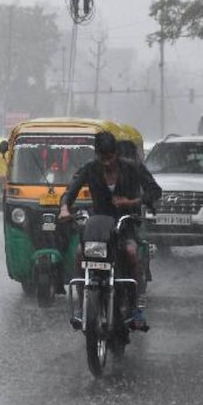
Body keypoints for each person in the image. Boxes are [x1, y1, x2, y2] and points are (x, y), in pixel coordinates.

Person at [59, 131, 162, 330]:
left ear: (115, 153)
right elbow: (70, 191)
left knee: (132, 253)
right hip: (99, 227)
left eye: (110, 157)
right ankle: (82, 307)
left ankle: (136, 308)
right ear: (97, 154)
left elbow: (154, 191)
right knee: (80, 254)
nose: (106, 162)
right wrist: (64, 208)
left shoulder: (133, 168)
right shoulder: (90, 169)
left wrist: (131, 202)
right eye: (102, 157)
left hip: (126, 225)